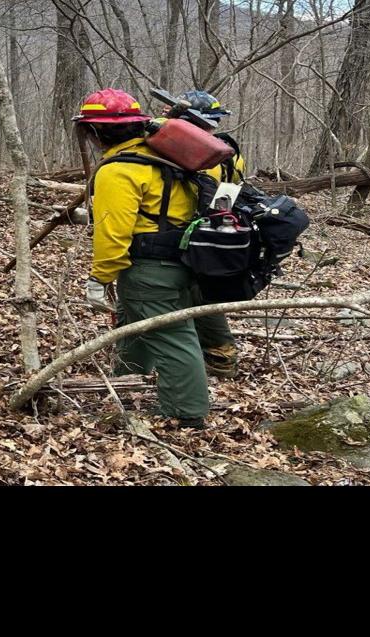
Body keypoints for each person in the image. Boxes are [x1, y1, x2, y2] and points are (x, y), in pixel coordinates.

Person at [77, 88, 210, 428]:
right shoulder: (164, 159)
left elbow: (113, 233)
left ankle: (187, 413)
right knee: (132, 324)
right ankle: (126, 381)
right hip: (179, 262)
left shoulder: (118, 171)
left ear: (96, 132)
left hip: (149, 269)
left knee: (172, 336)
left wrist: (99, 277)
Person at [178, 89, 247, 379]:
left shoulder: (204, 152)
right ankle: (212, 353)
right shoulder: (227, 150)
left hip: (197, 232)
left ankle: (221, 356)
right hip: (215, 232)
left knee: (201, 294)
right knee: (199, 293)